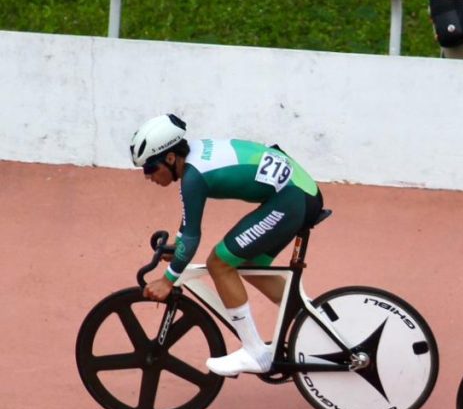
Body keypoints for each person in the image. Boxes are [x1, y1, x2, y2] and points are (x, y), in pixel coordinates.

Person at [129, 114, 324, 377]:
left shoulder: (193, 176)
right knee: (249, 263)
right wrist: (178, 248)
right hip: (300, 192)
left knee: (219, 263)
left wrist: (168, 279)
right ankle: (320, 323)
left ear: (171, 158)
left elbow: (192, 236)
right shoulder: (195, 157)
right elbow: (189, 222)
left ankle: (255, 352)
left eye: (150, 168)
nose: (147, 176)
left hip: (292, 197)